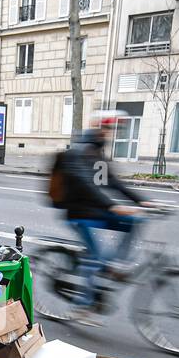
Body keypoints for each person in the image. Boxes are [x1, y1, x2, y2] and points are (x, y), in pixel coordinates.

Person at [54, 117, 147, 324]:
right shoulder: (78, 153)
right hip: (78, 214)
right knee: (94, 258)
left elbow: (113, 183)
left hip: (96, 211)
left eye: (112, 129)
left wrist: (144, 202)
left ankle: (114, 265)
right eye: (107, 127)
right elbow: (85, 184)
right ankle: (81, 306)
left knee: (135, 221)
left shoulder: (98, 154)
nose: (110, 132)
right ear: (98, 128)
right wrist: (112, 206)